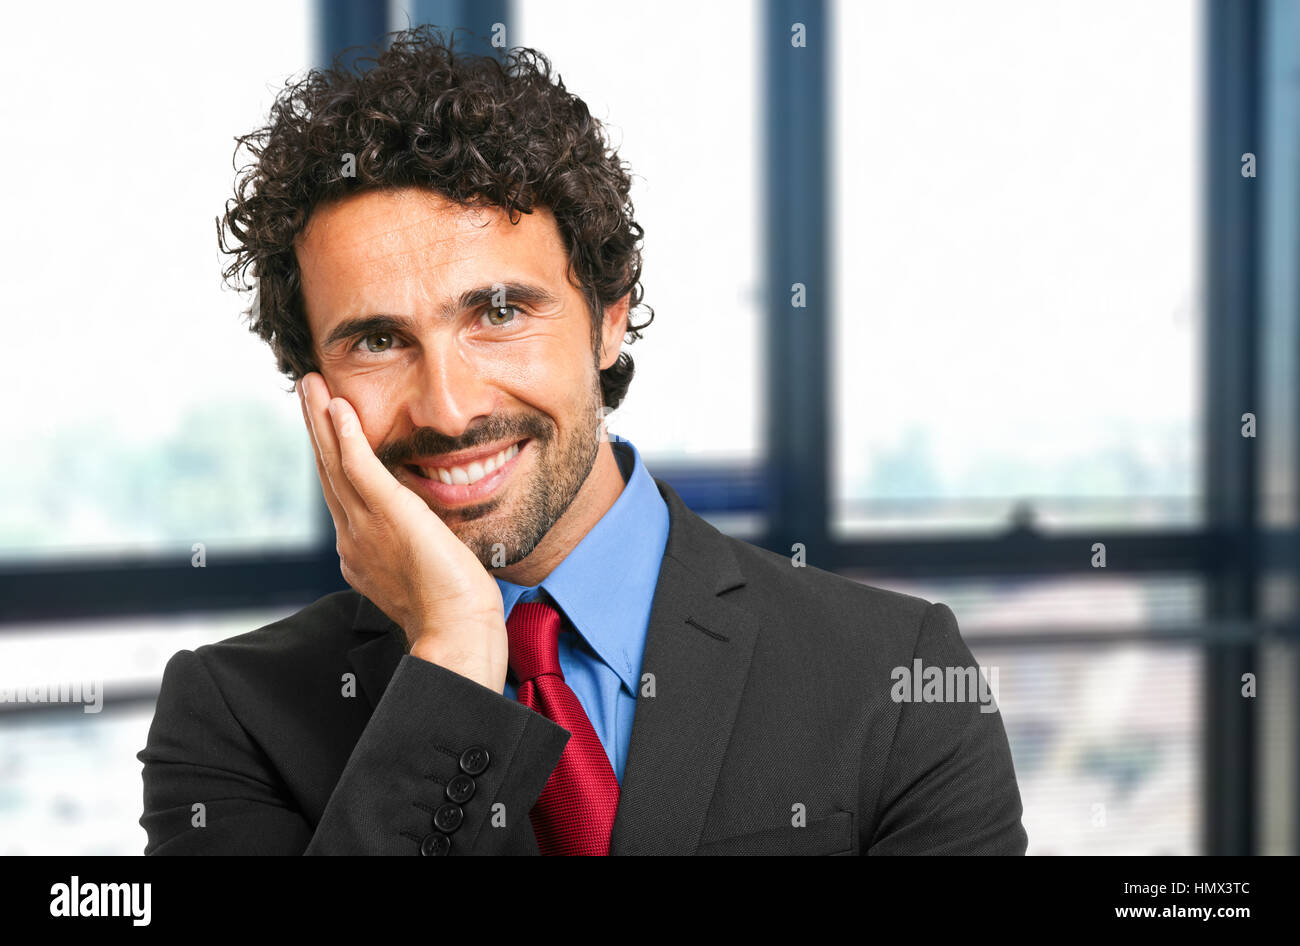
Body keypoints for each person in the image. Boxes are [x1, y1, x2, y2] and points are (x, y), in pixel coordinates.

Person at [138, 25, 1027, 856]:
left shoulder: (894, 673)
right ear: (314, 383)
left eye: (498, 312)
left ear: (609, 317)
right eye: (376, 340)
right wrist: (453, 652)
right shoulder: (231, 717)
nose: (447, 409)